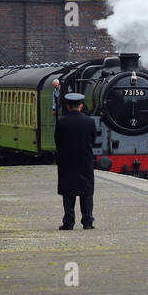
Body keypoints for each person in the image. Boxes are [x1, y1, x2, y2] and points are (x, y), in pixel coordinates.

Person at [54, 92, 96, 230]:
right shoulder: (89, 121)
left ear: (67, 106)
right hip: (85, 161)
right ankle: (88, 221)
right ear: (81, 106)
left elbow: (57, 142)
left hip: (67, 161)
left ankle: (69, 222)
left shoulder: (61, 122)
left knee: (68, 192)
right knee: (86, 192)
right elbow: (93, 140)